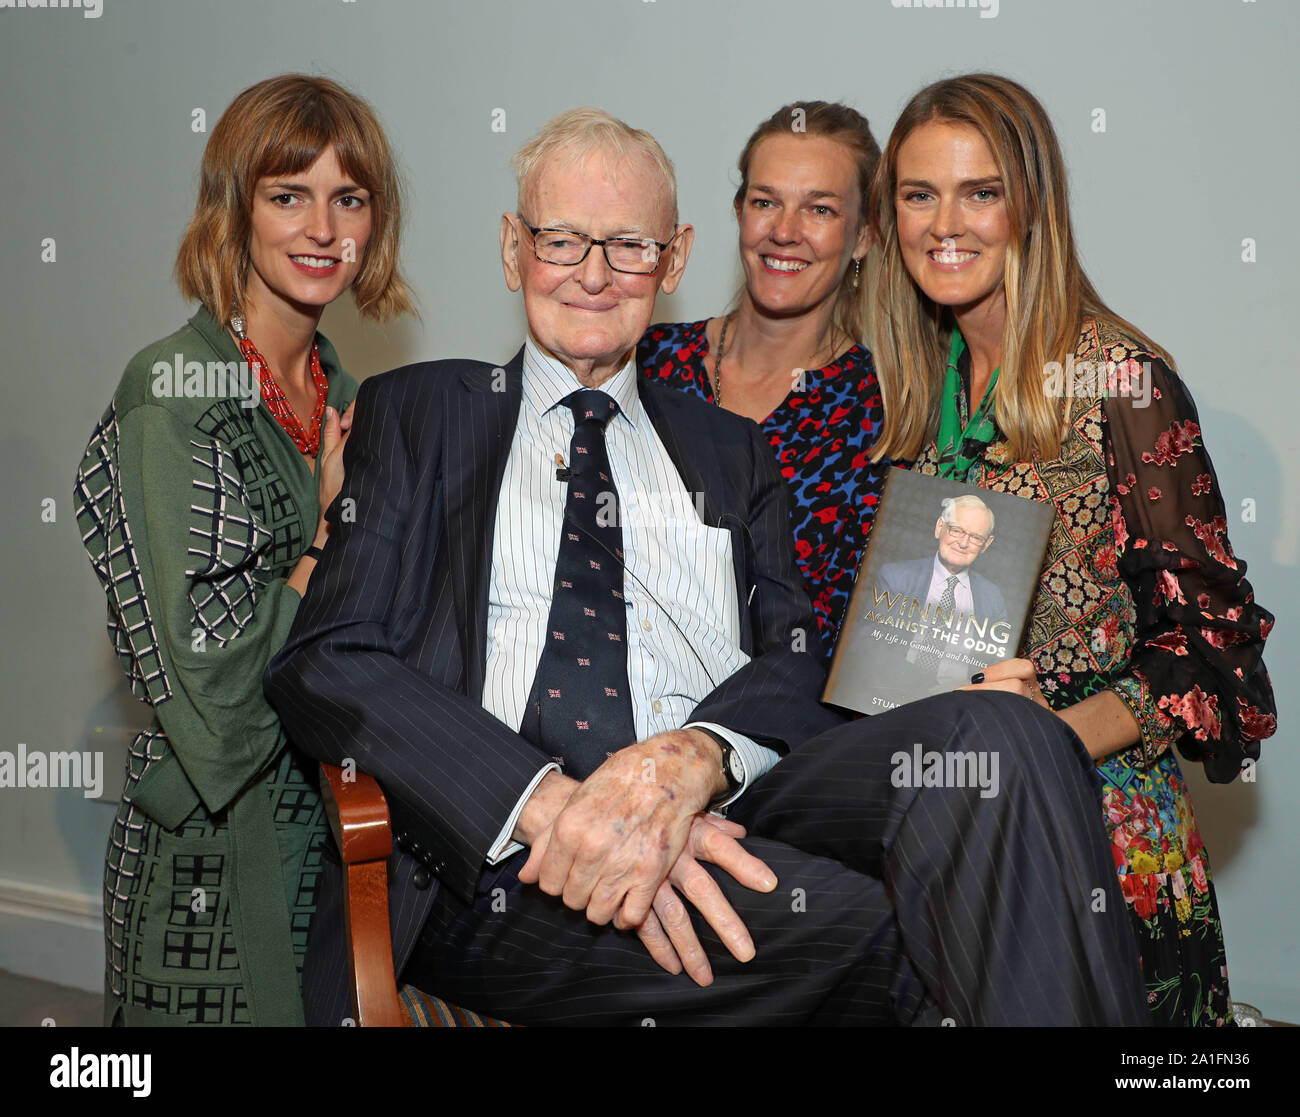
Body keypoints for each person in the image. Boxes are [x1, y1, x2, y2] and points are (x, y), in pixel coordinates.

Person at [266, 107, 1149, 1027]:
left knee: (1005, 738)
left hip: (732, 809)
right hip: (501, 864)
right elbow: (326, 662)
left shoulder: (731, 452)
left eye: (630, 246)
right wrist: (553, 806)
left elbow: (799, 659)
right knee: (906, 929)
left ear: (676, 259)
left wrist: (695, 762)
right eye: (562, 240)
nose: (595, 275)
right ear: (510, 247)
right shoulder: (420, 412)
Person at [866, 73, 1277, 1026]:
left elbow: (1221, 668)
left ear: (1032, 205)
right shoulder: (920, 395)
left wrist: (1048, 734)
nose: (944, 223)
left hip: (1096, 847)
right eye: (918, 193)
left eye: (980, 191)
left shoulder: (1120, 384)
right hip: (949, 838)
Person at [73, 74, 414, 1025]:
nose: (321, 227)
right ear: (236, 209)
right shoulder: (175, 397)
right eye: (287, 194)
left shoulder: (340, 390)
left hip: (332, 845)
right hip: (207, 877)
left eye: (349, 198)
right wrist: (320, 537)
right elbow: (216, 711)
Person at [638, 102, 889, 659]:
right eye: (765, 201)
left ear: (865, 235)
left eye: (819, 209)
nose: (784, 231)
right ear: (739, 212)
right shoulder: (644, 362)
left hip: (798, 733)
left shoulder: (886, 419)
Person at [878, 494, 1009, 689]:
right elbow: (870, 646)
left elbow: (996, 663)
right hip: (892, 689)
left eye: (975, 537)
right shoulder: (895, 576)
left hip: (959, 700)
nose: (963, 543)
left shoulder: (992, 597)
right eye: (956, 530)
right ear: (940, 527)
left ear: (986, 544)